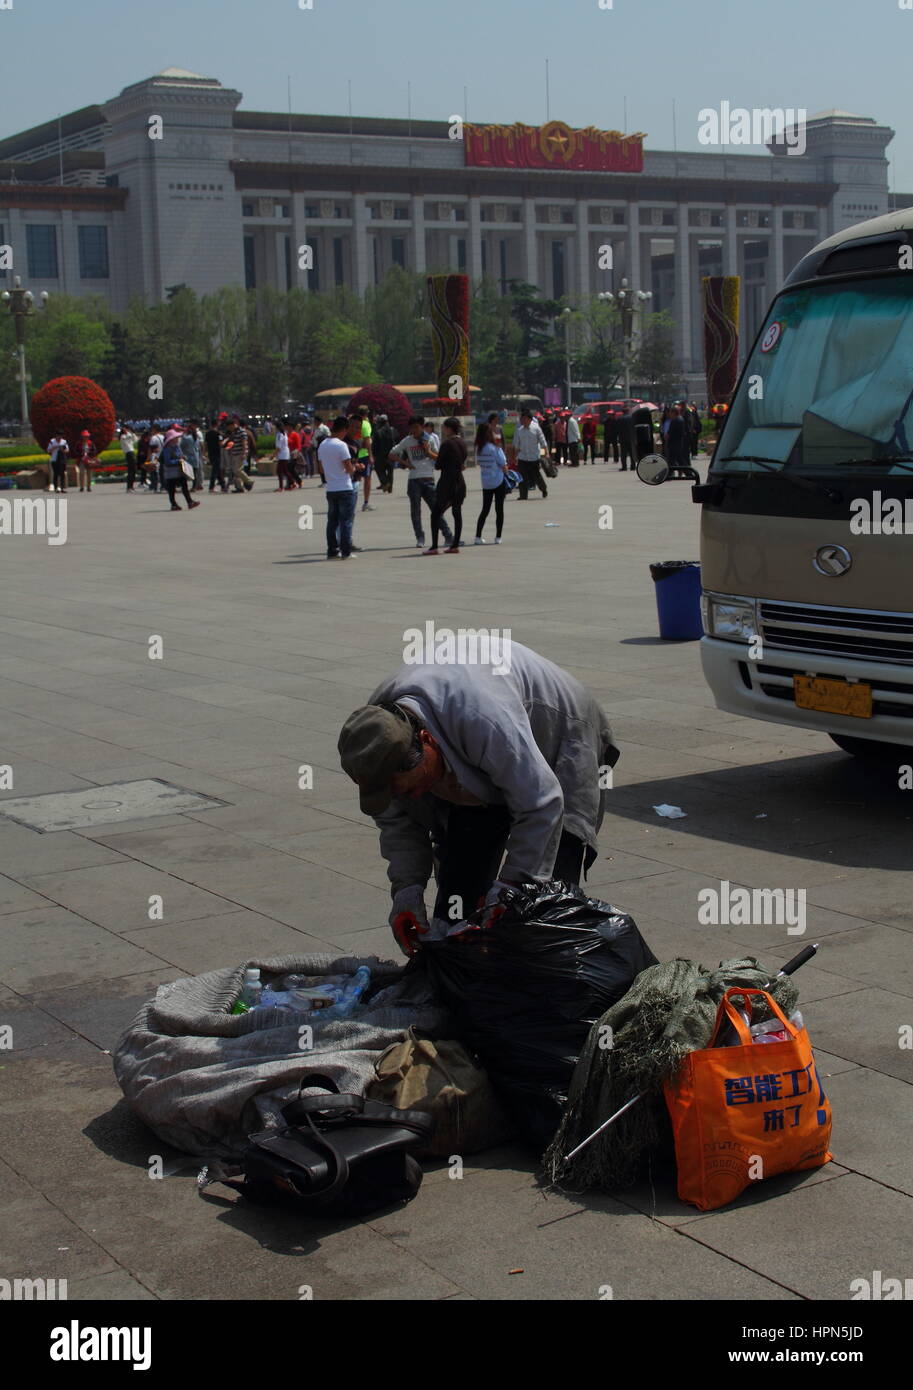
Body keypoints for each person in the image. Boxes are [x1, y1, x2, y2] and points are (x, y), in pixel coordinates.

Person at [337, 643, 620, 954]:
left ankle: (549, 982)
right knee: (459, 904)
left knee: (543, 905)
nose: (411, 798)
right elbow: (398, 824)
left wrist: (511, 887)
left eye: (411, 788)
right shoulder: (378, 741)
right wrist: (407, 891)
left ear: (427, 741)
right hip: (477, 748)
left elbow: (542, 802)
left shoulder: (481, 718)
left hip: (558, 729)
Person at [389, 416, 453, 549]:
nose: (414, 430)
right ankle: (420, 536)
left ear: (422, 427)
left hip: (428, 478)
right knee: (415, 511)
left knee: (436, 510)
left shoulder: (430, 439)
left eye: (416, 427)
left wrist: (428, 451)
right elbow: (392, 454)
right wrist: (405, 463)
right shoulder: (407, 441)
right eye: (412, 428)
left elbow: (439, 457)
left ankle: (448, 536)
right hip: (414, 480)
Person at [426, 417, 466, 555]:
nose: (443, 429)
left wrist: (430, 453)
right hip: (460, 481)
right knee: (457, 512)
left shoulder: (447, 443)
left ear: (449, 428)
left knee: (436, 514)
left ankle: (434, 546)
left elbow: (438, 465)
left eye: (444, 427)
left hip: (447, 482)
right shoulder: (462, 442)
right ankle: (455, 545)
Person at [320, 415, 356, 560]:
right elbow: (349, 469)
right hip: (344, 488)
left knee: (332, 522)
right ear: (344, 429)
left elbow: (321, 470)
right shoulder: (342, 445)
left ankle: (332, 550)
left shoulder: (322, 445)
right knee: (346, 521)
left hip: (331, 488)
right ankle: (346, 551)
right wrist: (356, 467)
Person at [474, 420, 508, 544]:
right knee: (499, 510)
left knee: (485, 510)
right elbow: (503, 464)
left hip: (486, 482)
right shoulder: (495, 448)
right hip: (498, 481)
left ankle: (478, 536)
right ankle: (498, 537)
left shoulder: (479, 449)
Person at [512, 408, 548, 500]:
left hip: (534, 457)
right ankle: (523, 495)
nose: (522, 421)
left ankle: (543, 489)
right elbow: (516, 445)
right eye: (522, 419)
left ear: (530, 419)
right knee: (522, 477)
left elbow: (543, 442)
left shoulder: (536, 428)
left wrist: (545, 454)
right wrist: (515, 457)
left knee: (537, 476)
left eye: (524, 419)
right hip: (522, 458)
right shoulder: (519, 430)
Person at [161, 426, 200, 511]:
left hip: (180, 471)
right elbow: (167, 462)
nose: (177, 439)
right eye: (176, 438)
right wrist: (178, 461)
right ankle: (173, 504)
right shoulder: (167, 449)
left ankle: (190, 502)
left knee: (184, 486)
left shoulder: (176, 447)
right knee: (172, 490)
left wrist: (183, 457)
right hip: (171, 473)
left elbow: (181, 456)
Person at [372, 413, 395, 494]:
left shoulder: (378, 432)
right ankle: (390, 488)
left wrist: (373, 454)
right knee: (390, 471)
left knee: (379, 470)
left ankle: (385, 483)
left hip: (380, 455)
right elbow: (395, 442)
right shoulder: (392, 430)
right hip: (391, 453)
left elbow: (375, 445)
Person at [357, 405, 374, 510]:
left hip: (354, 454)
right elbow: (367, 440)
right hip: (364, 454)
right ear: (367, 413)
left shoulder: (354, 423)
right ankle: (366, 502)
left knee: (354, 478)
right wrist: (371, 455)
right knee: (367, 479)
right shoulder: (366, 424)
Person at [180, 420, 203, 491]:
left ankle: (188, 487)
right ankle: (194, 486)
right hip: (195, 456)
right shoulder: (196, 437)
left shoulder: (187, 438)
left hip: (189, 457)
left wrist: (183, 434)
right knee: (195, 473)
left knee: (187, 473)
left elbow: (181, 445)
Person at [274, 419, 295, 492]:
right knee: (285, 471)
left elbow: (278, 447)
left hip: (282, 455)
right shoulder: (284, 433)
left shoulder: (279, 435)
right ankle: (292, 483)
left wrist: (273, 455)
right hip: (285, 454)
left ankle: (281, 487)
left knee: (280, 471)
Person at [205, 419, 225, 492]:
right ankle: (211, 486)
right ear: (217, 424)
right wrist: (225, 441)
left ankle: (223, 486)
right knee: (215, 471)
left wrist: (205, 453)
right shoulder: (218, 434)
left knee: (218, 470)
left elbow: (205, 444)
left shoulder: (207, 433)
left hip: (211, 453)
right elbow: (221, 444)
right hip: (217, 453)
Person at [118, 426, 137, 491]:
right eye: (124, 428)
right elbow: (127, 439)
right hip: (128, 453)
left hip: (132, 452)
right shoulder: (122, 437)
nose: (126, 430)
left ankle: (131, 486)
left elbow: (135, 440)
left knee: (134, 470)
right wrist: (130, 433)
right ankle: (129, 487)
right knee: (130, 471)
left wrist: (133, 433)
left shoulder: (129, 435)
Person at [148, 423, 164, 491]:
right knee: (161, 472)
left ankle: (154, 486)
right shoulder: (163, 437)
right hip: (162, 456)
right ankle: (163, 486)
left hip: (155, 457)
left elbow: (151, 449)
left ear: (154, 429)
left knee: (153, 471)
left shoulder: (154, 438)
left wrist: (148, 458)